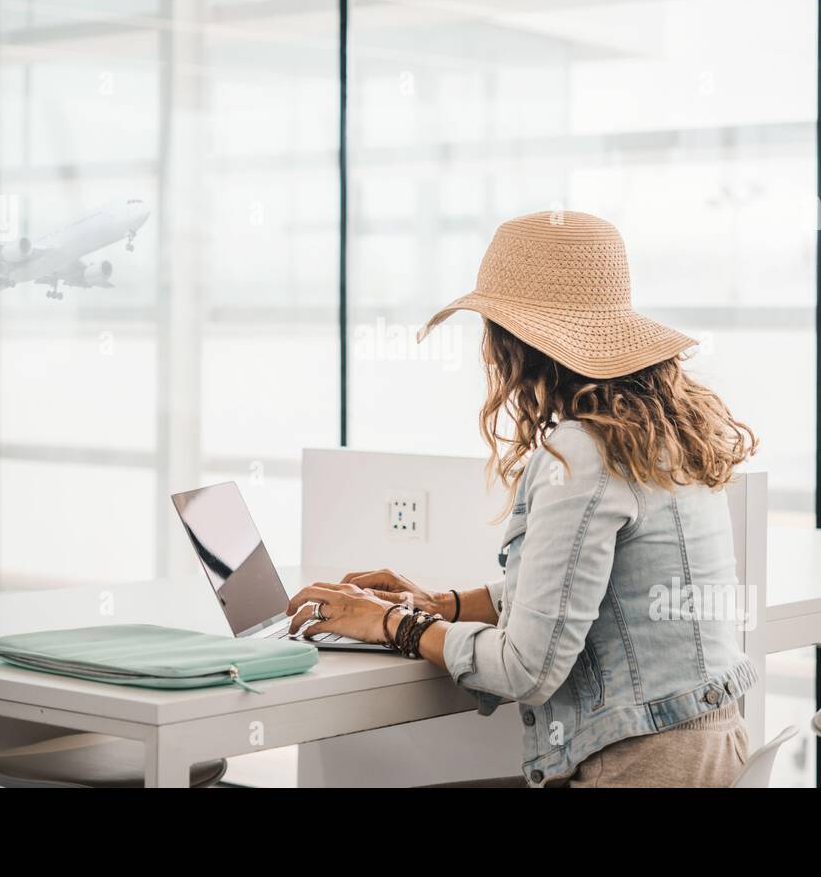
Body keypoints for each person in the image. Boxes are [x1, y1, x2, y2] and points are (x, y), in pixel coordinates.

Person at [286, 210, 759, 787]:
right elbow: (586, 592)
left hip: (643, 767)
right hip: (708, 750)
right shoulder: (657, 431)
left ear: (516, 341)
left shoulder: (583, 452)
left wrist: (391, 625)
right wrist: (442, 605)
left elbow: (526, 669)